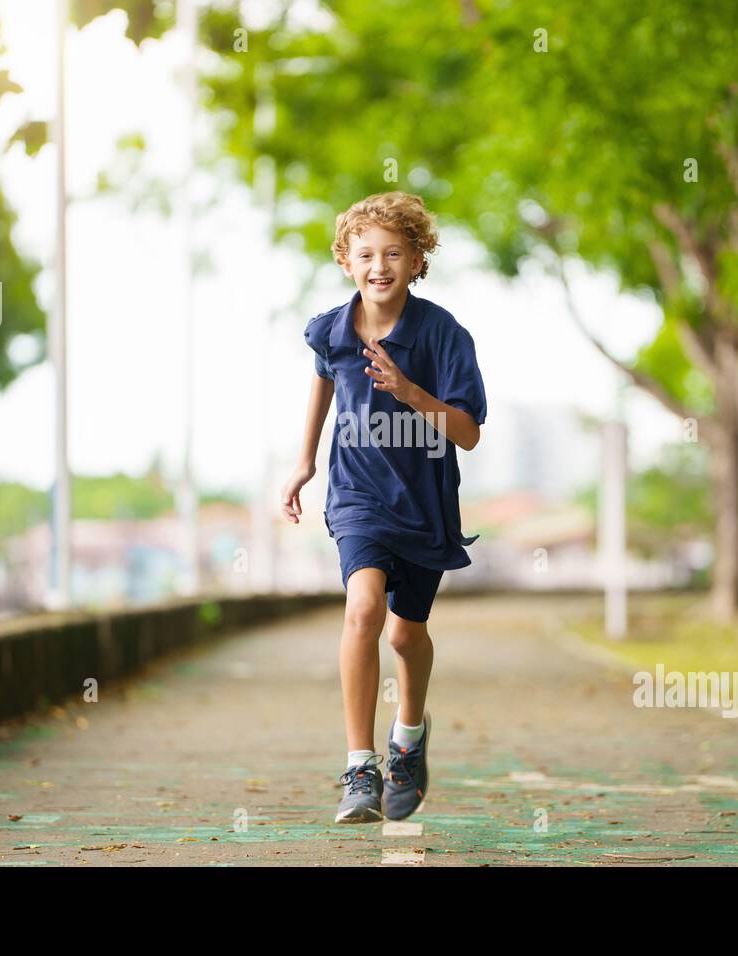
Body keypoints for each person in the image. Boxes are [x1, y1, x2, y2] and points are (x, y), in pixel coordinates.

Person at [280, 191, 488, 823]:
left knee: (405, 632)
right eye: (365, 253)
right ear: (346, 261)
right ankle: (359, 766)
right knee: (365, 609)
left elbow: (468, 432)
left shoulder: (444, 334)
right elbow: (325, 373)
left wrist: (408, 390)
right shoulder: (332, 329)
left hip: (423, 504)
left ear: (418, 259)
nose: (379, 265)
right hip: (358, 496)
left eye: (394, 252)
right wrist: (305, 459)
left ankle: (410, 737)